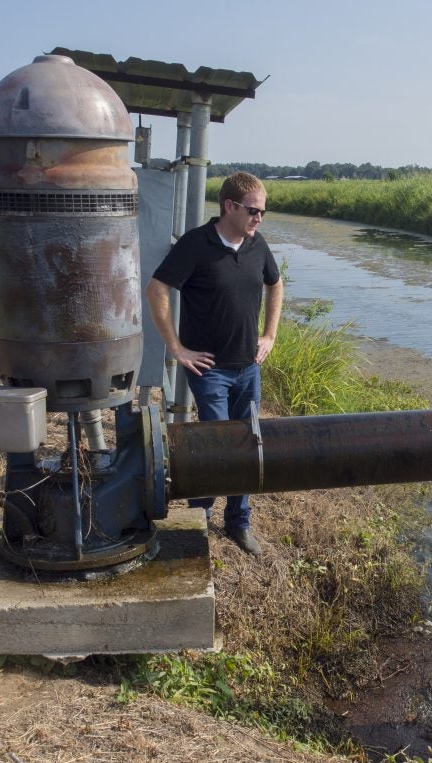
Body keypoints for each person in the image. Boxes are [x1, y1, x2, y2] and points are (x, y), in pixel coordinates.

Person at [145, 172, 283, 556]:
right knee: (215, 445)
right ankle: (198, 521)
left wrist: (269, 335)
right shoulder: (196, 244)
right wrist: (176, 347)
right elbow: (157, 288)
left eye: (263, 212)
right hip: (210, 371)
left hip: (248, 367)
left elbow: (276, 284)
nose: (259, 218)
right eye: (253, 210)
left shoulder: (258, 246)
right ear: (229, 206)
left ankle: (239, 522)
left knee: (248, 441)